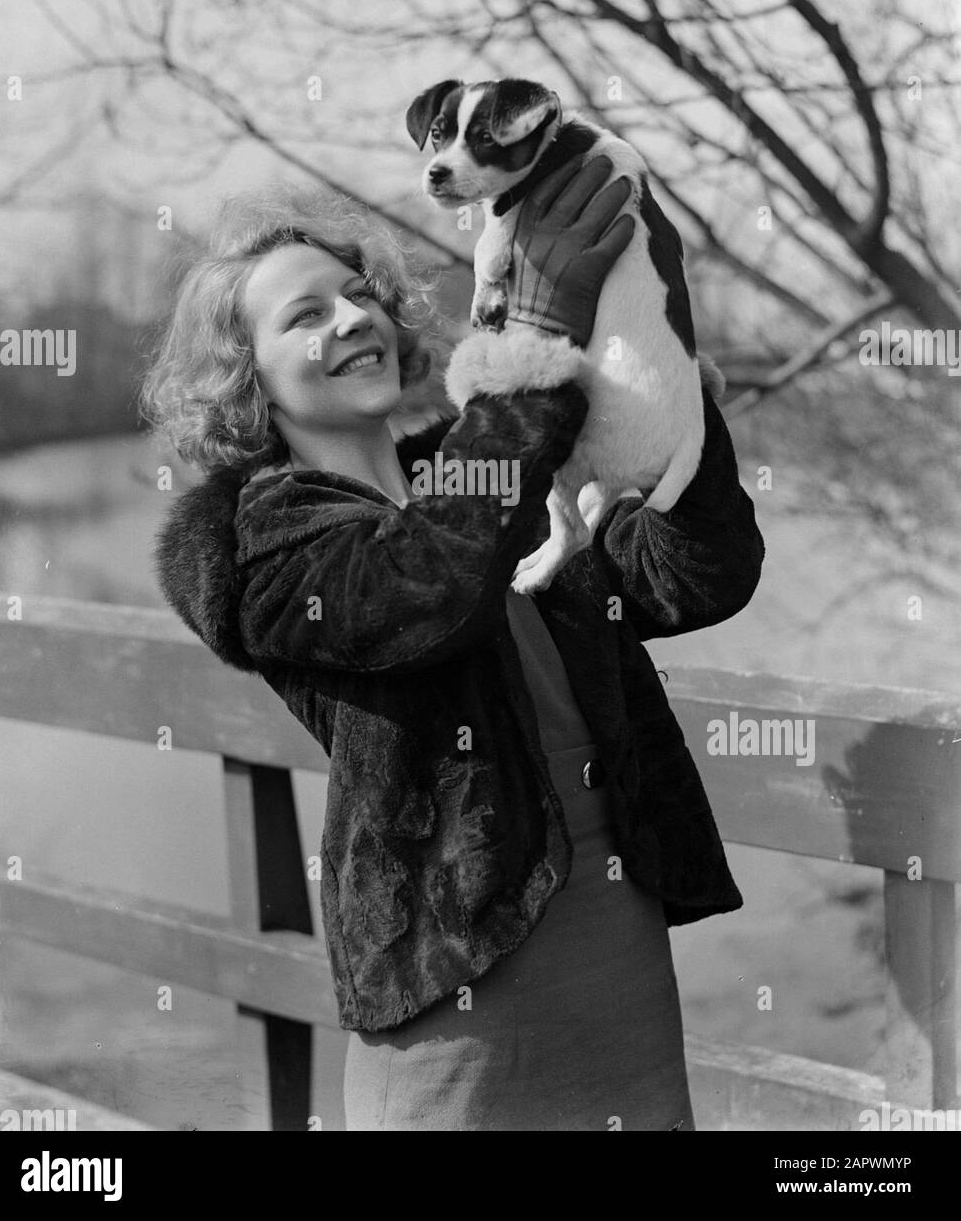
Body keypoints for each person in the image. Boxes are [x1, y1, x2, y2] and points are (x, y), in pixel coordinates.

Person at [143, 155, 765, 1132]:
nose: (352, 320)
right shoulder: (257, 542)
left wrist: (661, 384)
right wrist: (537, 352)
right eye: (305, 316)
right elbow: (431, 587)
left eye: (359, 297)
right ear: (242, 376)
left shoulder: (486, 469)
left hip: (616, 942)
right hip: (461, 972)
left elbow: (691, 577)